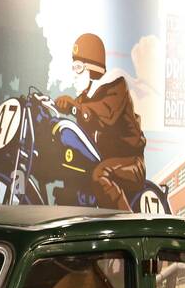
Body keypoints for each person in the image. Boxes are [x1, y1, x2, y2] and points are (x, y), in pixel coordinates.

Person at [54, 32, 146, 211]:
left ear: (93, 69)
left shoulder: (116, 87)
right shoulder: (84, 98)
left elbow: (103, 114)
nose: (73, 74)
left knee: (101, 175)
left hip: (131, 163)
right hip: (102, 160)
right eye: (73, 67)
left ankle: (126, 229)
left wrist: (73, 107)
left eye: (78, 67)